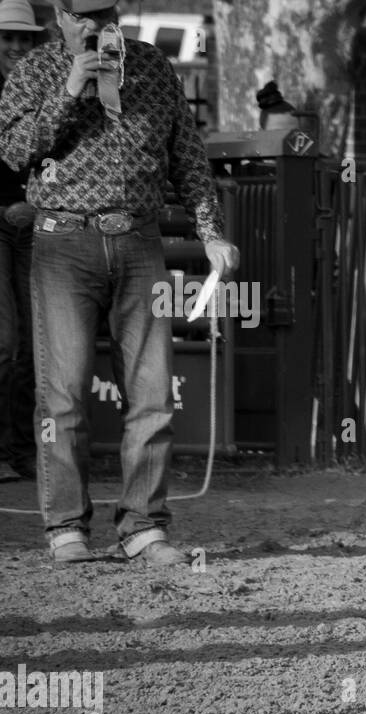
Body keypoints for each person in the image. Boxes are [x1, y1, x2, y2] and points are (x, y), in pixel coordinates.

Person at [0, 0, 239, 564]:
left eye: (105, 11)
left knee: (153, 393)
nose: (96, 24)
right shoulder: (33, 71)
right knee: (62, 397)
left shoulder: (154, 67)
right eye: (83, 14)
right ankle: (65, 528)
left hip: (138, 240)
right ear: (59, 14)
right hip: (62, 241)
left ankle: (144, 526)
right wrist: (70, 86)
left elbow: (188, 156)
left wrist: (211, 233)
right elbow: (14, 152)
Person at [0, 0, 41, 483]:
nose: (15, 46)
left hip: (35, 223)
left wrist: (37, 204)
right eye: (8, 38)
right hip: (4, 222)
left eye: (23, 38)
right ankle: (7, 449)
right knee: (7, 343)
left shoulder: (45, 88)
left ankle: (26, 450)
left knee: (35, 344)